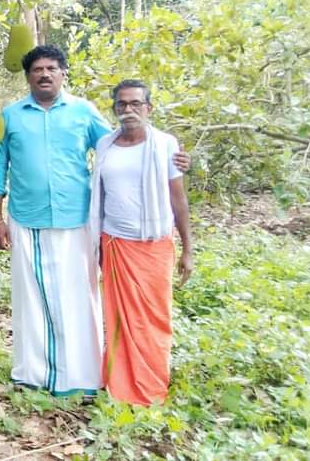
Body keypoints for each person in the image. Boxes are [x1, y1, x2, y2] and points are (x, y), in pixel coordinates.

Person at [0, 46, 189, 397]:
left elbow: (120, 145)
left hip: (77, 219)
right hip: (26, 218)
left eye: (52, 68)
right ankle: (32, 372)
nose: (45, 74)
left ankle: (81, 374)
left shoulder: (83, 111)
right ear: (28, 76)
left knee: (79, 297)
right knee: (30, 298)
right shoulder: (11, 116)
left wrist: (172, 158)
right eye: (37, 69)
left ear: (63, 73)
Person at [88, 79, 192, 406]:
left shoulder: (165, 145)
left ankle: (148, 390)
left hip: (153, 246)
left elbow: (179, 200)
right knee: (117, 318)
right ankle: (118, 384)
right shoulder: (105, 144)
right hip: (115, 242)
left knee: (152, 320)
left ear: (149, 108)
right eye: (122, 105)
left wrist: (188, 248)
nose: (129, 110)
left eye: (136, 104)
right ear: (115, 109)